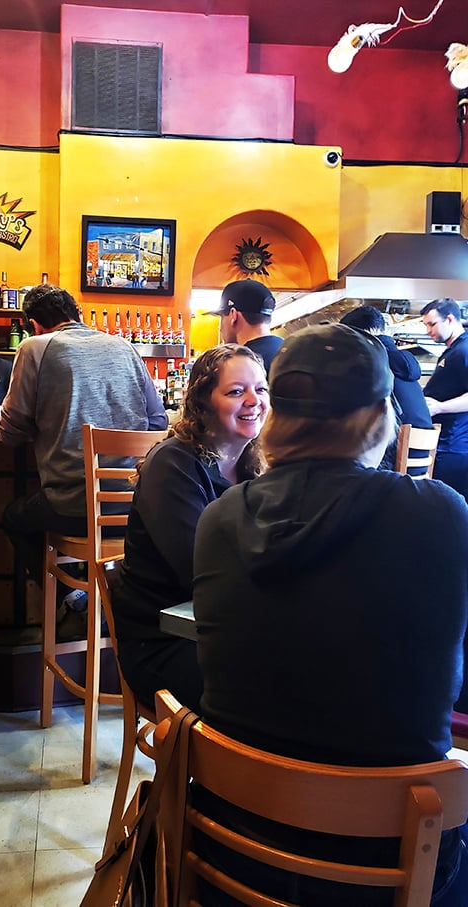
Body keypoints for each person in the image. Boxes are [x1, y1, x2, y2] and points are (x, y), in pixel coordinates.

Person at [193, 323, 468, 906]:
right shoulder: (438, 514)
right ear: (379, 416)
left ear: (275, 415)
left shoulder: (219, 518)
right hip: (387, 868)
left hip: (229, 848)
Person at [112, 344, 268, 712]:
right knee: (283, 694)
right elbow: (199, 569)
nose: (253, 400)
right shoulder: (174, 464)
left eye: (260, 389)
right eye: (235, 391)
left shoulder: (256, 465)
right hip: (165, 642)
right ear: (203, 403)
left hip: (226, 630)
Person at [0, 283, 167, 587]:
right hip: (136, 504)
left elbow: (11, 432)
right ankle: (104, 595)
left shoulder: (34, 346)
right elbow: (158, 421)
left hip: (71, 507)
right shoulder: (124, 347)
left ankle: (70, 597)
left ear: (34, 325)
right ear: (77, 314)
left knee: (13, 518)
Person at [340, 304, 432, 469]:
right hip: (418, 465)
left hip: (391, 466)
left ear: (360, 336)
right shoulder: (402, 362)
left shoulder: (373, 362)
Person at [421, 298, 468, 500]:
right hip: (445, 445)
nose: (428, 331)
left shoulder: (464, 351)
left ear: (449, 319)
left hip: (454, 449)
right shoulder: (453, 350)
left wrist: (440, 407)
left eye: (432, 324)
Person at [208, 279, 283, 372]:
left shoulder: (238, 365)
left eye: (222, 317)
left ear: (233, 315)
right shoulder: (290, 350)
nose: (220, 327)